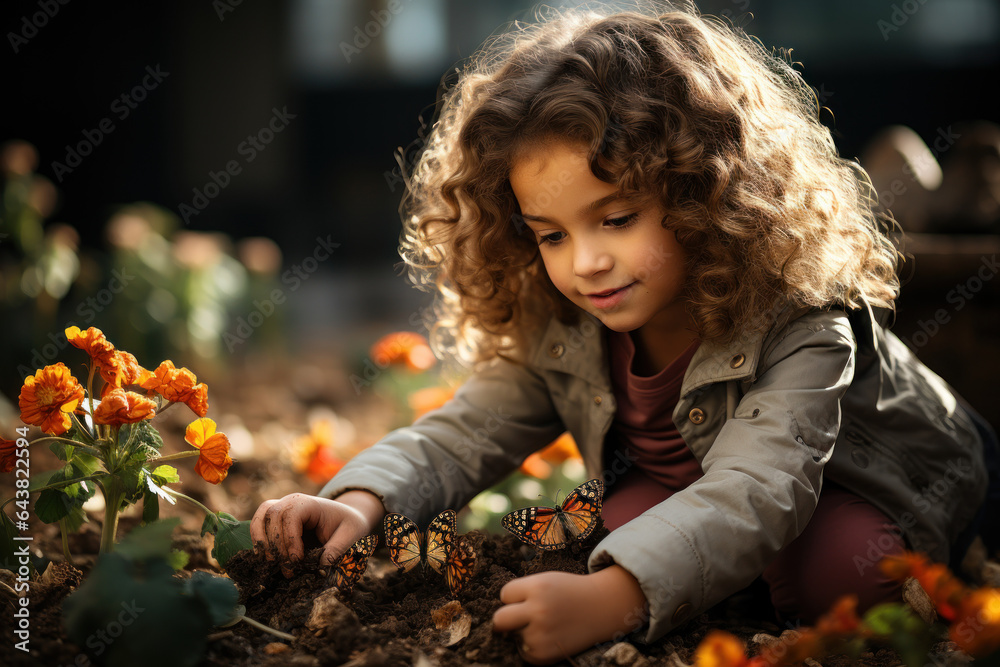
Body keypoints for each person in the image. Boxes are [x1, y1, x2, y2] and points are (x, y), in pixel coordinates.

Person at [252, 3, 996, 664]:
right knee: (619, 524)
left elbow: (761, 489)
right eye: (549, 234)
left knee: (846, 577)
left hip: (871, 486)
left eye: (615, 219)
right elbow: (462, 431)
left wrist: (615, 600)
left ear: (705, 192)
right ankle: (703, 573)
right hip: (698, 488)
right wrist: (361, 501)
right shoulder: (571, 320)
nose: (586, 263)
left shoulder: (801, 320)